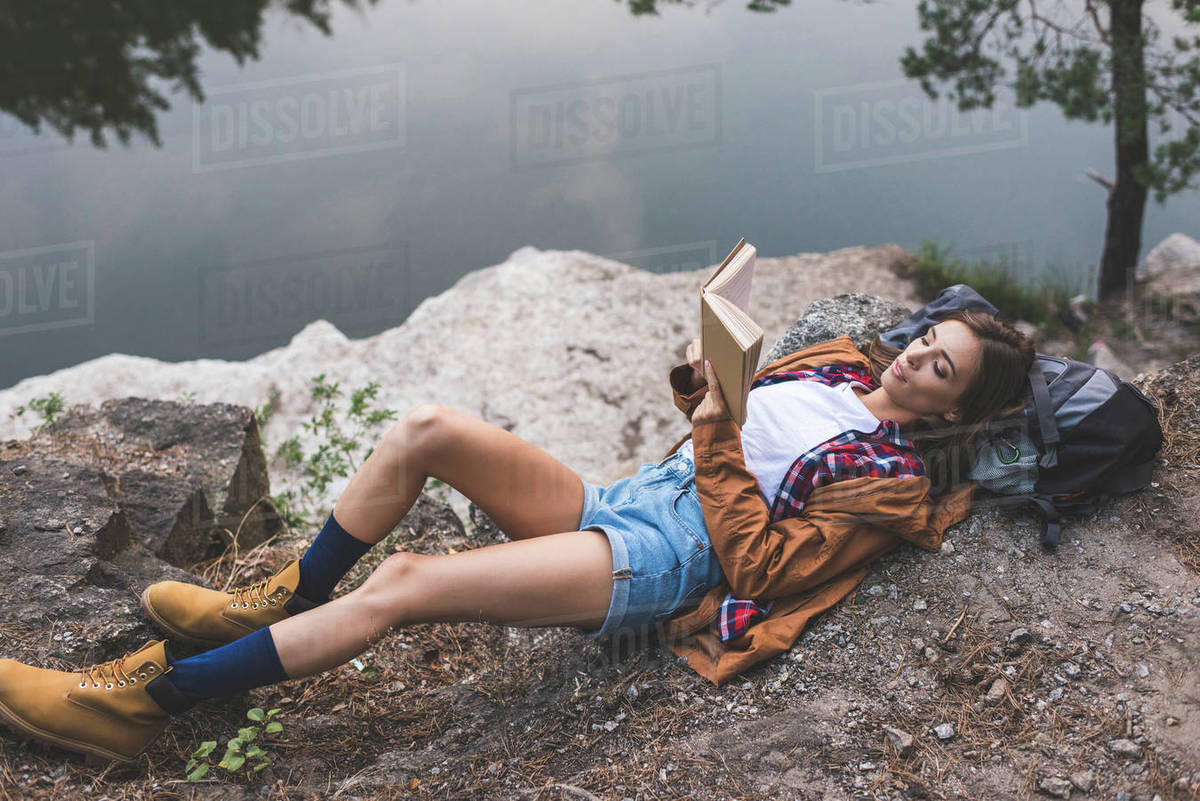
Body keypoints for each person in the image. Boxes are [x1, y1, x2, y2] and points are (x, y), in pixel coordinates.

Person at [0, 310, 1035, 764]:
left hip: (669, 556)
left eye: (935, 371)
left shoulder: (890, 487)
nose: (907, 366)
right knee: (426, 431)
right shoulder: (841, 364)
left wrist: (717, 430)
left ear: (950, 413)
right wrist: (704, 375)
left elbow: (759, 564)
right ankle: (272, 600)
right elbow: (709, 419)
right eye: (921, 347)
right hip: (635, 493)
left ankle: (146, 703)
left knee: (407, 580)